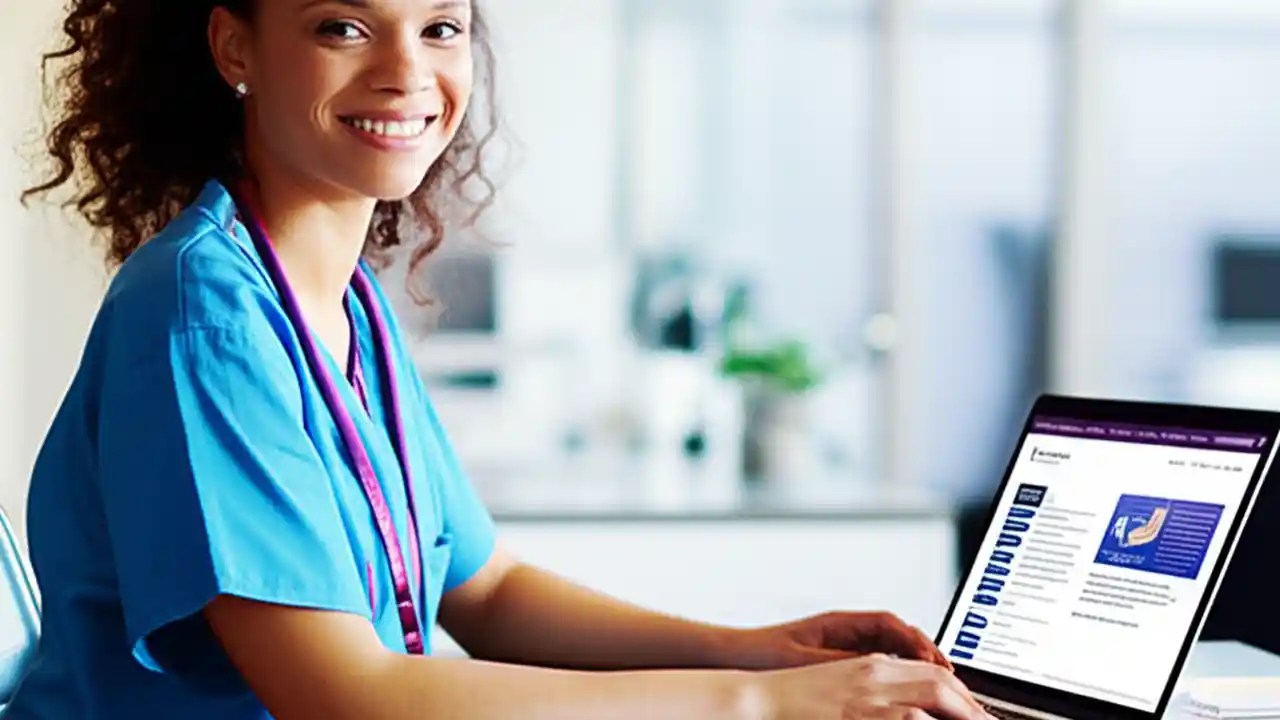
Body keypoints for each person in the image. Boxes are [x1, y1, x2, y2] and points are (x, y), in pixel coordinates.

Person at [9, 1, 992, 718]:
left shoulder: (344, 302)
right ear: (235, 46)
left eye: (440, 27)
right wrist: (765, 705)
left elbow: (485, 591)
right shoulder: (204, 314)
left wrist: (759, 654)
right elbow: (344, 695)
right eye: (342, 27)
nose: (406, 72)